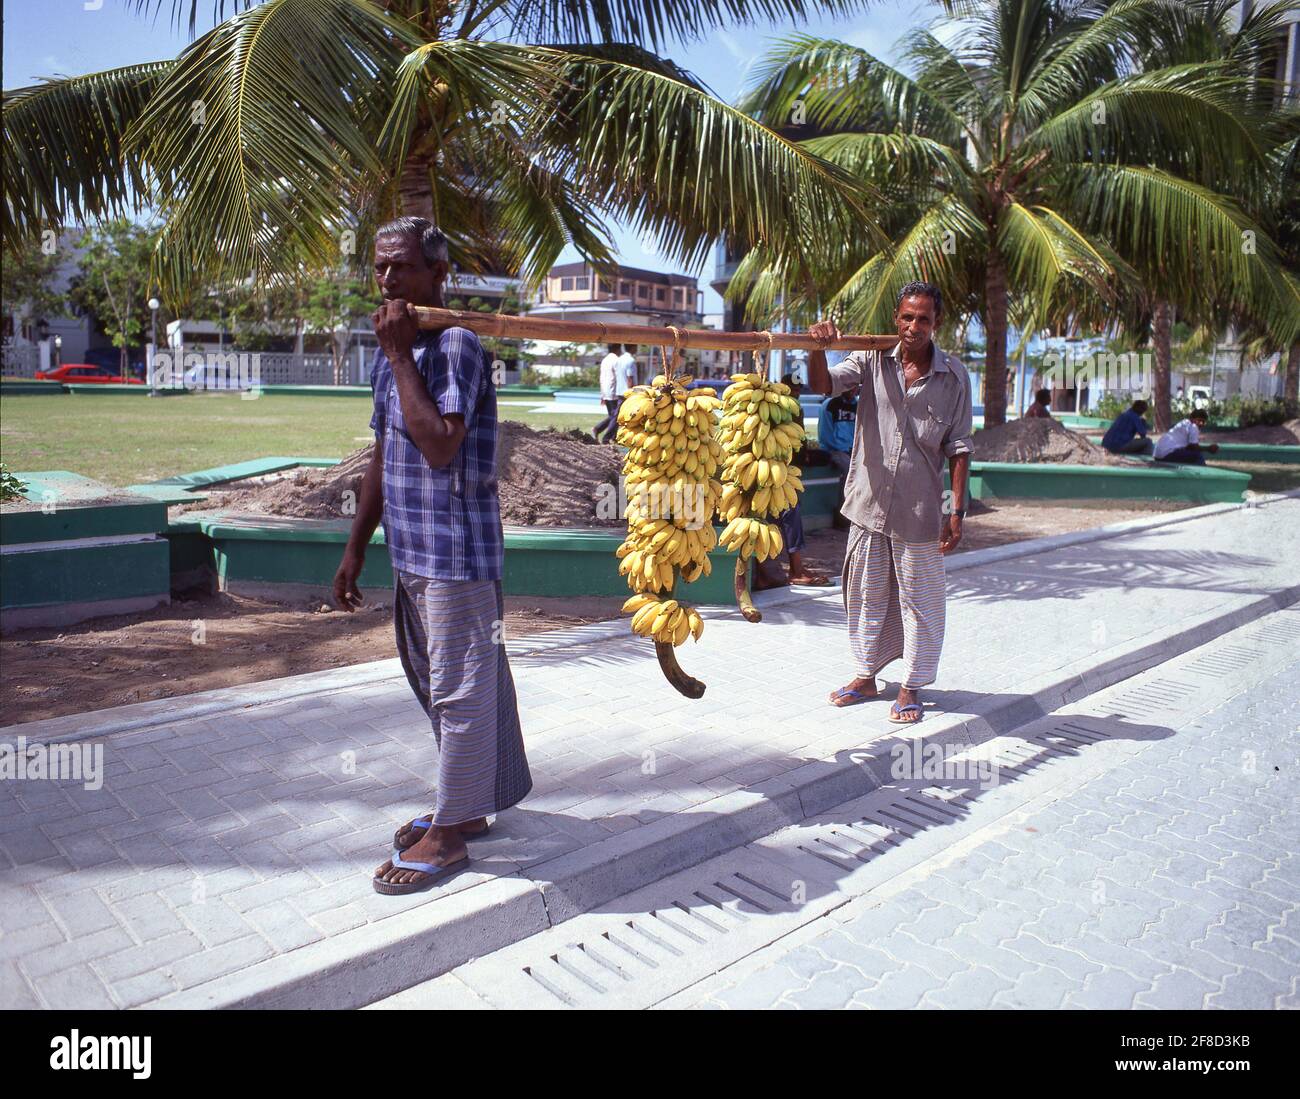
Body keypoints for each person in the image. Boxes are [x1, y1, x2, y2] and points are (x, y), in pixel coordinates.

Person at [332, 216, 531, 895]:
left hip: (456, 554)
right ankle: (467, 805)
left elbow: (438, 443)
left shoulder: (454, 346)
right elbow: (385, 455)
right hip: (411, 554)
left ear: (436, 275)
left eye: (402, 268)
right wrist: (357, 548)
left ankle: (448, 834)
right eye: (380, 267)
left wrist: (396, 357)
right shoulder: (399, 347)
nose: (387, 280)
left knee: (462, 691)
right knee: (437, 682)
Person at [807, 282, 973, 725]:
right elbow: (824, 385)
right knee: (865, 593)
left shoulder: (953, 376)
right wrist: (816, 346)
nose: (913, 326)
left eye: (923, 319)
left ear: (936, 323)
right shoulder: (869, 358)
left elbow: (959, 448)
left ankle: (911, 685)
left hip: (919, 510)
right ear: (895, 318)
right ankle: (864, 676)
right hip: (867, 503)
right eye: (906, 317)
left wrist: (955, 511)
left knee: (920, 600)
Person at [753, 375, 830, 589]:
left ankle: (794, 568)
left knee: (790, 514)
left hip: (788, 472)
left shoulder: (797, 409)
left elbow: (800, 440)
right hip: (767, 472)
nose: (795, 394)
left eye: (798, 390)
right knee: (788, 515)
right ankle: (794, 570)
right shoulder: (772, 409)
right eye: (792, 390)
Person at [1154, 407, 1219, 465]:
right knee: (1198, 456)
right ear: (1192, 418)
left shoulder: (1184, 423)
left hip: (1157, 456)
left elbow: (1189, 447)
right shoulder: (1193, 426)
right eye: (1199, 420)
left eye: (1203, 422)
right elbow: (1194, 447)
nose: (1201, 424)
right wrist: (1208, 449)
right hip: (1166, 455)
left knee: (1190, 455)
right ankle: (1204, 476)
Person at [592, 343, 622, 442]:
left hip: (606, 390)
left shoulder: (605, 360)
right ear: (617, 348)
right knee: (617, 416)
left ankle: (612, 436)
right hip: (614, 390)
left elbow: (601, 377)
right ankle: (605, 437)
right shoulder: (616, 360)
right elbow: (619, 377)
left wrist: (602, 394)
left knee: (613, 416)